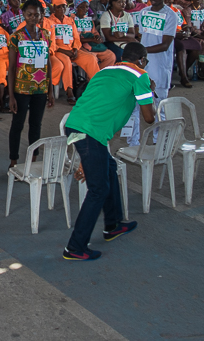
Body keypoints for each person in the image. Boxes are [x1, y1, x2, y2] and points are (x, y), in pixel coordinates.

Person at [61, 42, 152, 261]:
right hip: (90, 133)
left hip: (75, 125)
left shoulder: (106, 70)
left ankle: (113, 225)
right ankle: (75, 247)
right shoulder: (140, 76)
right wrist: (150, 91)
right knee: (98, 190)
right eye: (145, 60)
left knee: (110, 167)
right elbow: (149, 117)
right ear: (141, 60)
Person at [7, 0, 53, 166]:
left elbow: (48, 63)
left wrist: (50, 90)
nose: (33, 18)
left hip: (40, 89)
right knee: (17, 125)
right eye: (29, 14)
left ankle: (33, 161)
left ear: (41, 16)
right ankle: (13, 161)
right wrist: (11, 96)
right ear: (24, 15)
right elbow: (12, 67)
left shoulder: (45, 35)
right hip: (21, 89)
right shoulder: (16, 37)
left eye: (36, 15)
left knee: (36, 125)